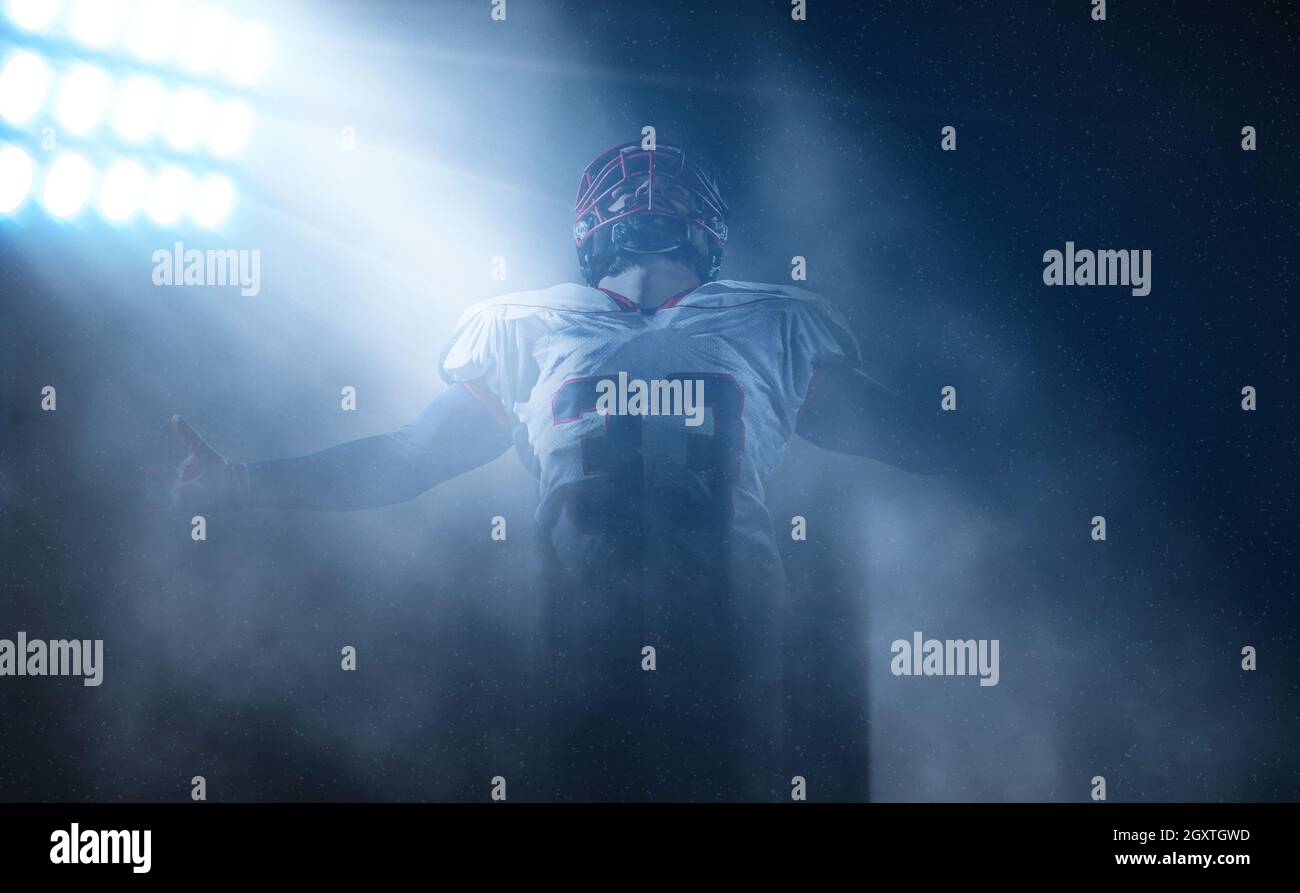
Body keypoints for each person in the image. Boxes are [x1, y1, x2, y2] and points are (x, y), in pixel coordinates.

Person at [169, 141, 984, 800]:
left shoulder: (530, 328)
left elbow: (402, 460)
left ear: (594, 228)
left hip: (606, 657)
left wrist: (242, 481)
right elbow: (913, 436)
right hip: (708, 657)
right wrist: (1041, 460)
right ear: (707, 228)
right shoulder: (770, 324)